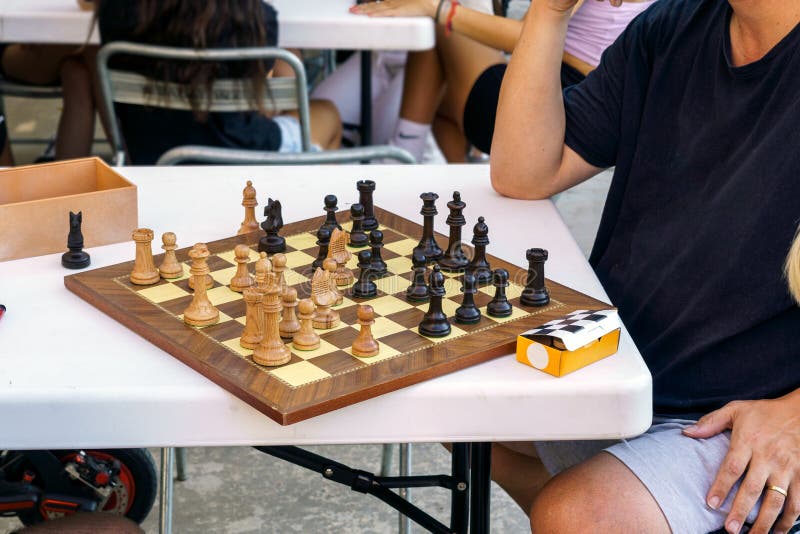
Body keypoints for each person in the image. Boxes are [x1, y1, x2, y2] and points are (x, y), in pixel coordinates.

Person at [487, 0, 800, 533]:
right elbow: (524, 172)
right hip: (621, 367)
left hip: (745, 412)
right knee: (456, 398)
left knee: (577, 517)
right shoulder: (669, 27)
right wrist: (548, 13)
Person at [350, 0, 653, 162]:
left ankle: (404, 152)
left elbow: (525, 36)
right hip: (581, 111)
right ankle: (459, 194)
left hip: (534, 110)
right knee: (441, 104)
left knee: (441, 26)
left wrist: (437, 8)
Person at [96, 0, 342, 165]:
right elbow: (261, 111)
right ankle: (310, 219)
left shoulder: (114, 10)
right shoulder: (253, 17)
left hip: (152, 155)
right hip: (239, 156)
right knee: (327, 113)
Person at [0, 1, 98, 163]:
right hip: (18, 43)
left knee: (76, 73)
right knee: (93, 42)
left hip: (69, 40)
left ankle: (68, 178)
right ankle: (127, 154)